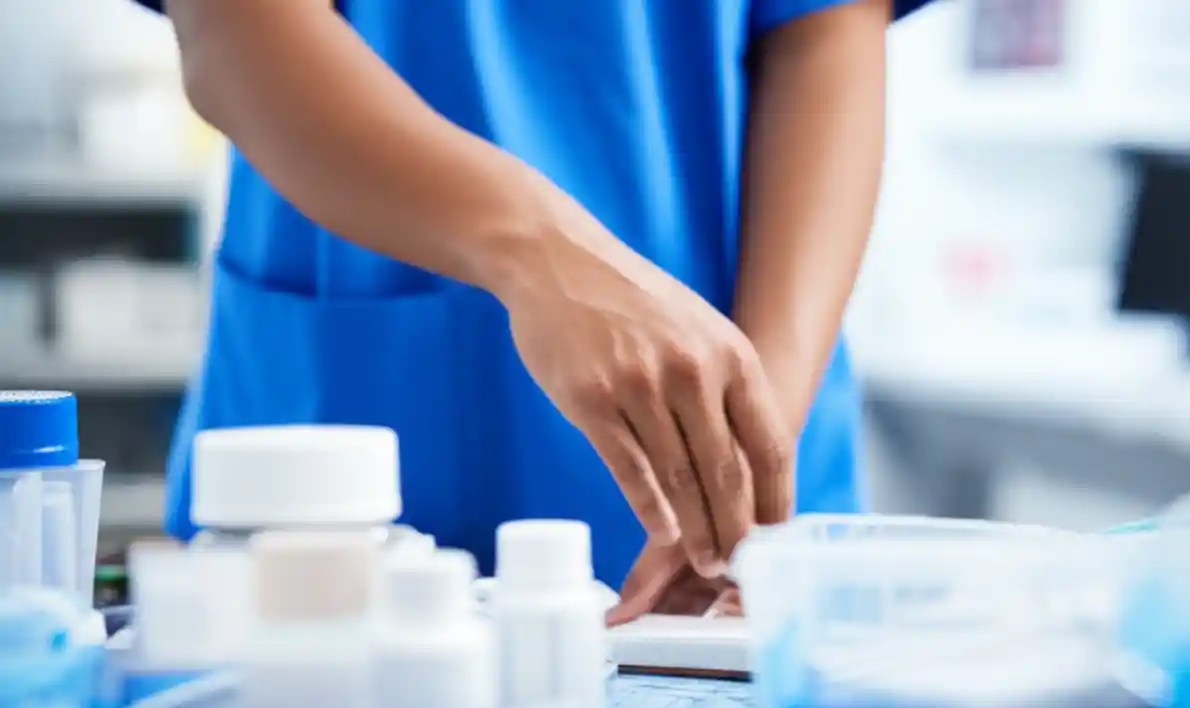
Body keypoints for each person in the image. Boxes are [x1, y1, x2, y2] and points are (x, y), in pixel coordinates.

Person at [141, 0, 932, 621]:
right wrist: (541, 256)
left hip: (750, 382)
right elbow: (234, 32)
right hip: (336, 464)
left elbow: (825, 39)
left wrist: (752, 427)